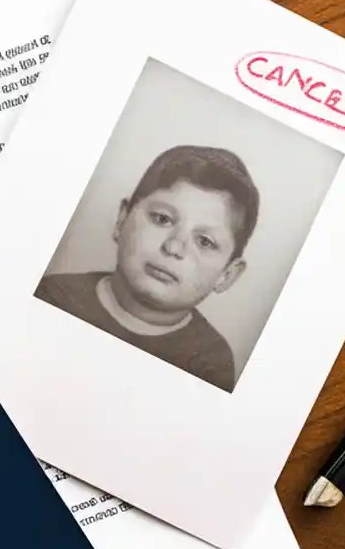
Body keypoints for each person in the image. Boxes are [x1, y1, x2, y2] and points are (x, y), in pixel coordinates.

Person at [36, 145, 260, 392]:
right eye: (162, 219)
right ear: (122, 220)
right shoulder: (54, 295)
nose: (174, 247)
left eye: (204, 241)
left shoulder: (208, 362)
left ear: (227, 274)